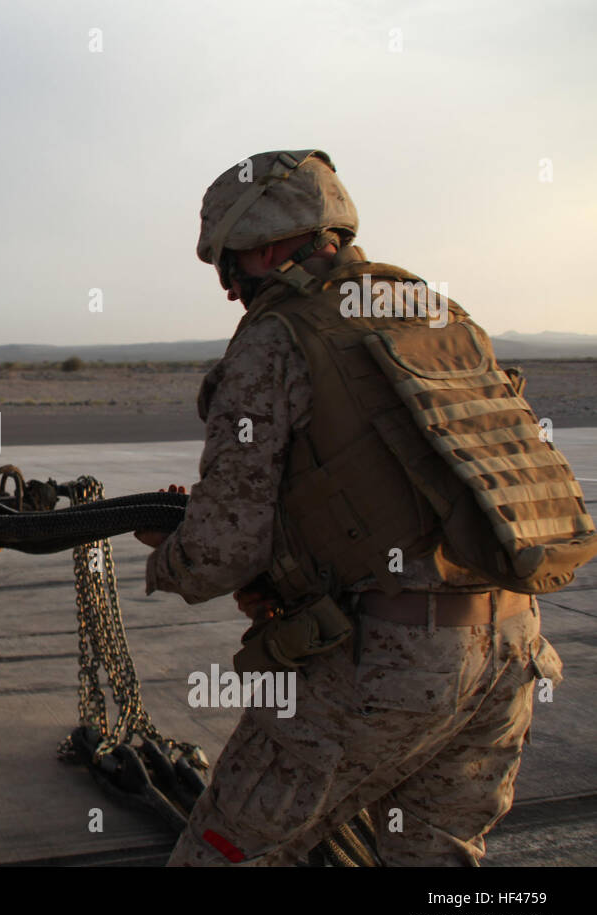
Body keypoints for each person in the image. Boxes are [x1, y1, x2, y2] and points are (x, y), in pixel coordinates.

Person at [136, 149, 590, 865]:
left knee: (223, 853)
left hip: (388, 665)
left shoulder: (277, 337)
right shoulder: (436, 312)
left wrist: (169, 557)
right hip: (510, 648)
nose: (231, 292)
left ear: (268, 245)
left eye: (233, 266)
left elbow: (224, 548)